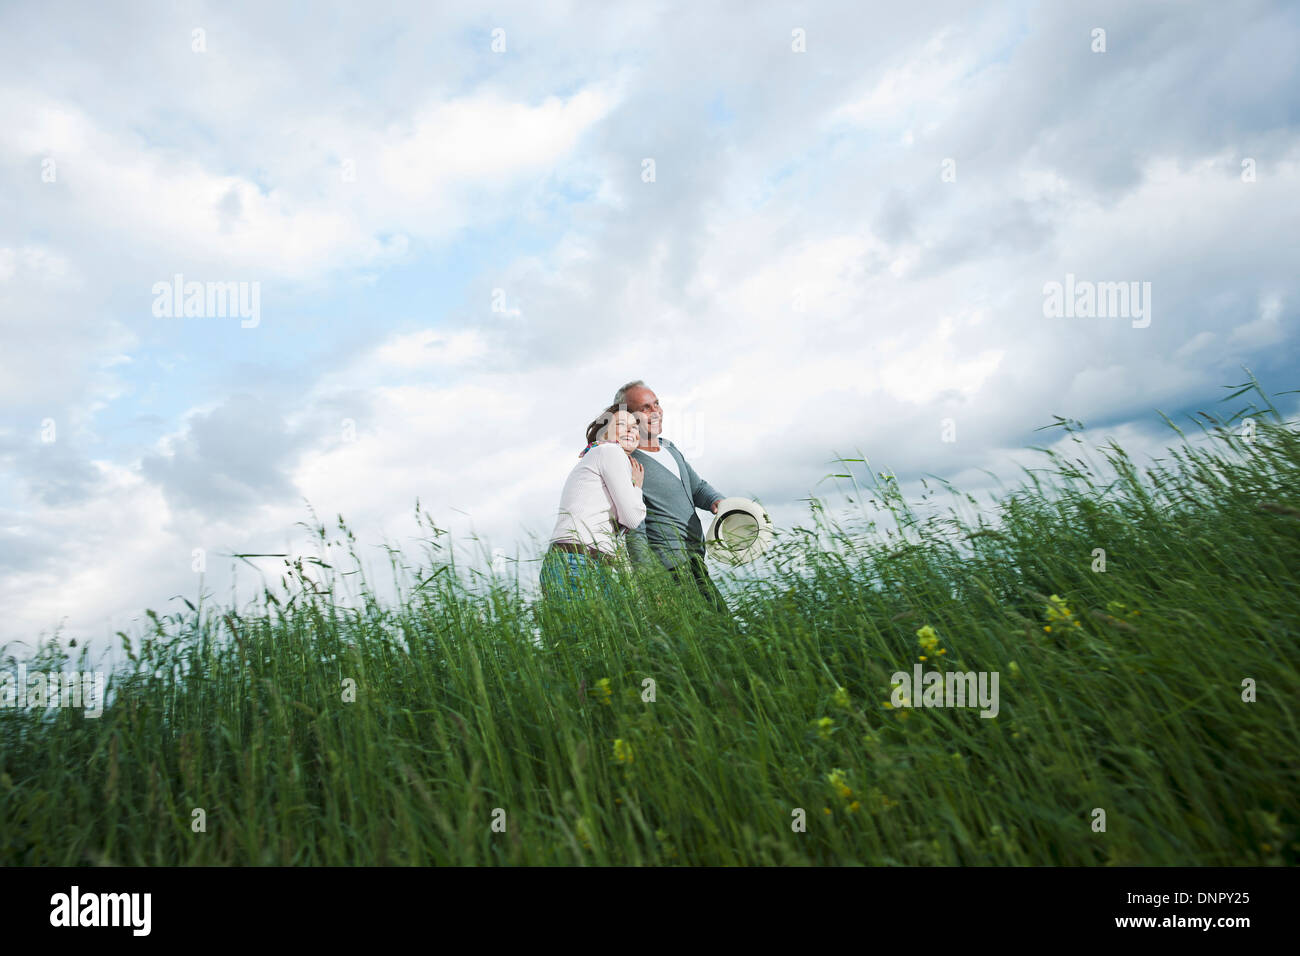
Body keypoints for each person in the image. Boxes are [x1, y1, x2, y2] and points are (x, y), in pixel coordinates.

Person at [614, 380, 729, 612]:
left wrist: (717, 501)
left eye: (657, 404)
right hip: (669, 570)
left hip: (695, 561)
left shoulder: (669, 448)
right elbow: (635, 527)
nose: (656, 411)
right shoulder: (627, 463)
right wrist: (650, 582)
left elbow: (697, 488)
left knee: (722, 634)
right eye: (646, 408)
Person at [540, 404, 646, 602]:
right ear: (604, 434)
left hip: (574, 561)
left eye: (635, 426)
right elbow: (632, 518)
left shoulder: (596, 456)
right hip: (579, 562)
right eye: (622, 424)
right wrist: (637, 487)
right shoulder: (610, 451)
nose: (631, 429)